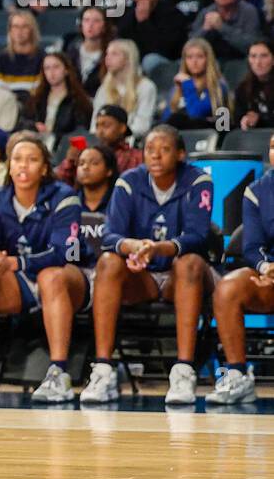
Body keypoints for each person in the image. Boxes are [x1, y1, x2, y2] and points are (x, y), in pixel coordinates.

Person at [84, 124, 216, 405]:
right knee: (108, 261)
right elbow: (109, 235)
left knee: (189, 262)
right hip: (140, 276)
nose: (155, 156)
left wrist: (159, 248)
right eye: (150, 150)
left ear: (180, 154)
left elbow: (198, 236)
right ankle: (104, 368)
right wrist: (133, 246)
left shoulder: (198, 181)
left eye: (164, 150)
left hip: (180, 277)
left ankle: (183, 371)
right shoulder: (128, 182)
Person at [0, 132, 84, 401]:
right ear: (9, 165)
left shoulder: (65, 197)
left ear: (45, 168)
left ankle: (59, 373)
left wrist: (15, 262)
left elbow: (65, 254)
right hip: (18, 281)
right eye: (17, 160)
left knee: (51, 277)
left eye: (32, 160)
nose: (23, 166)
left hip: (68, 280)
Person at [208, 131, 274, 404]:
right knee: (228, 287)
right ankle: (237, 375)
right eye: (272, 146)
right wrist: (266, 267)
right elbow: (251, 246)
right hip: (269, 276)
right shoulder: (257, 190)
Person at [119, 0, 189, 73]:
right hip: (138, 64)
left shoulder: (172, 13)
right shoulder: (129, 14)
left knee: (151, 60)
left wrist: (144, 23)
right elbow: (123, 40)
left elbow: (165, 49)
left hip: (172, 63)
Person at [55, 103, 144, 184]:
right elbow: (61, 182)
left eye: (106, 125)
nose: (100, 132)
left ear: (122, 128)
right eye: (97, 126)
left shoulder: (136, 157)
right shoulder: (88, 155)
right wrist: (70, 162)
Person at [90, 39, 156, 139]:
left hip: (132, 142)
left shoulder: (146, 87)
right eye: (107, 54)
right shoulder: (103, 89)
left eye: (114, 54)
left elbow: (142, 125)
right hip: (104, 142)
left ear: (128, 58)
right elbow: (94, 125)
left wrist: (117, 136)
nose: (108, 58)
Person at [191, 0, 261, 62]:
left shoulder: (249, 11)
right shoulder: (206, 12)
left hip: (242, 62)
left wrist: (222, 27)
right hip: (211, 64)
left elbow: (252, 46)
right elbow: (190, 46)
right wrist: (205, 29)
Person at [165, 37, 231, 129]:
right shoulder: (177, 88)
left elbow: (196, 114)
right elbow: (167, 121)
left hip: (208, 135)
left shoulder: (218, 86)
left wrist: (188, 84)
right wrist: (180, 89)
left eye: (200, 56)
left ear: (208, 59)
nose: (194, 62)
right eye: (189, 57)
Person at [29, 52, 93, 138]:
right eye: (47, 68)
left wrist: (55, 135)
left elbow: (80, 131)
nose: (51, 72)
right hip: (38, 140)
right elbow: (24, 121)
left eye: (56, 67)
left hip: (64, 145)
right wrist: (34, 126)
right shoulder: (37, 98)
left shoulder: (78, 101)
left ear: (66, 70)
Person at [235, 39, 274, 129]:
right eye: (253, 56)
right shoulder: (242, 88)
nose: (258, 62)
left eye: (264, 56)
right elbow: (236, 121)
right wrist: (245, 121)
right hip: (253, 139)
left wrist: (260, 119)